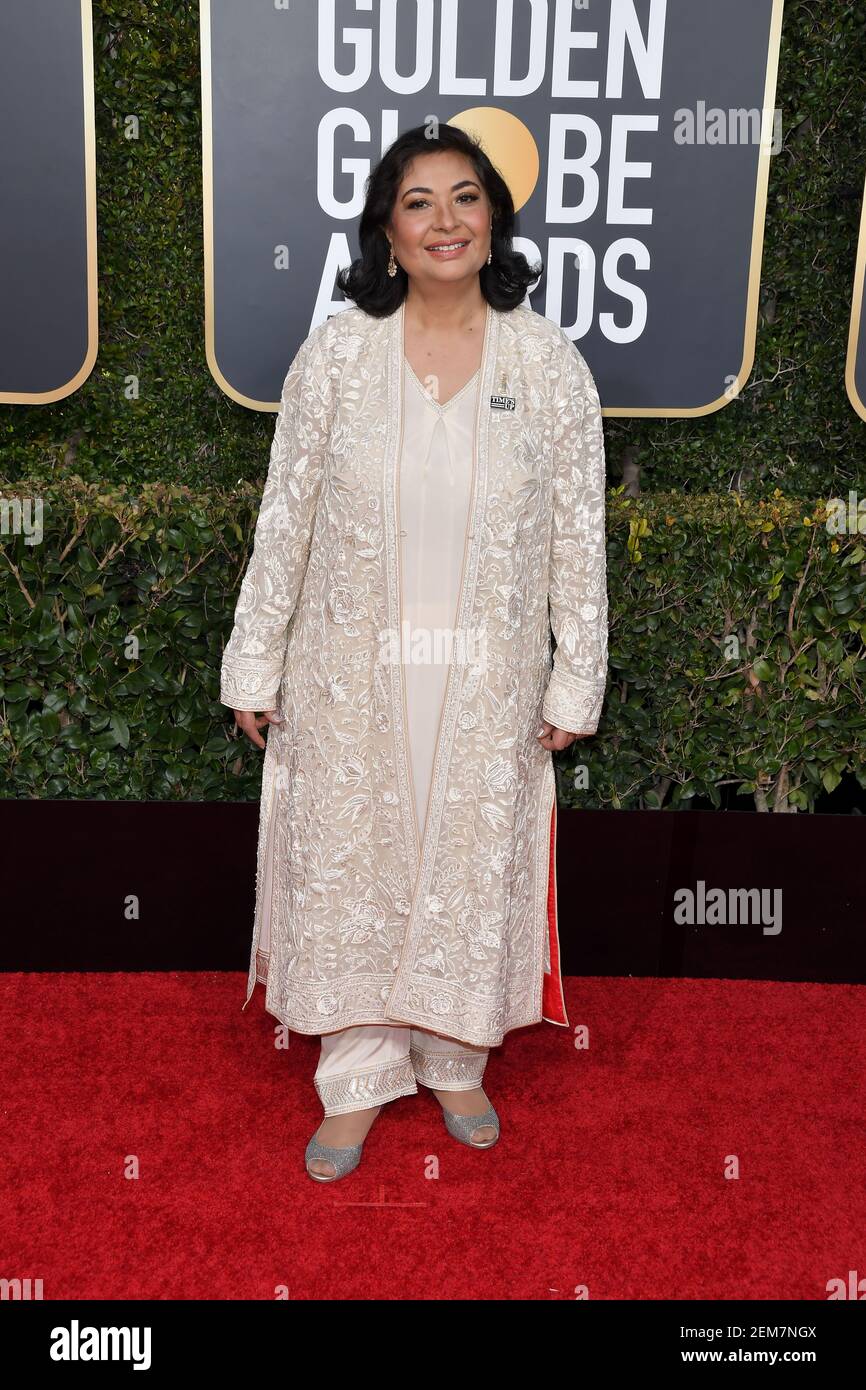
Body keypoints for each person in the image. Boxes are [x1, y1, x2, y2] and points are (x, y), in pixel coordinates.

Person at [220, 123, 608, 1181]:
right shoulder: (338, 355)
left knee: (471, 858)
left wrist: (577, 671)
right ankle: (352, 1072)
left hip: (486, 677)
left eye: (466, 198)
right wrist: (254, 660)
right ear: (386, 234)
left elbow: (579, 529)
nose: (445, 221)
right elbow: (284, 512)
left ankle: (451, 1052)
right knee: (352, 859)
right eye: (419, 203)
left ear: (494, 222)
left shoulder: (547, 362)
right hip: (350, 668)